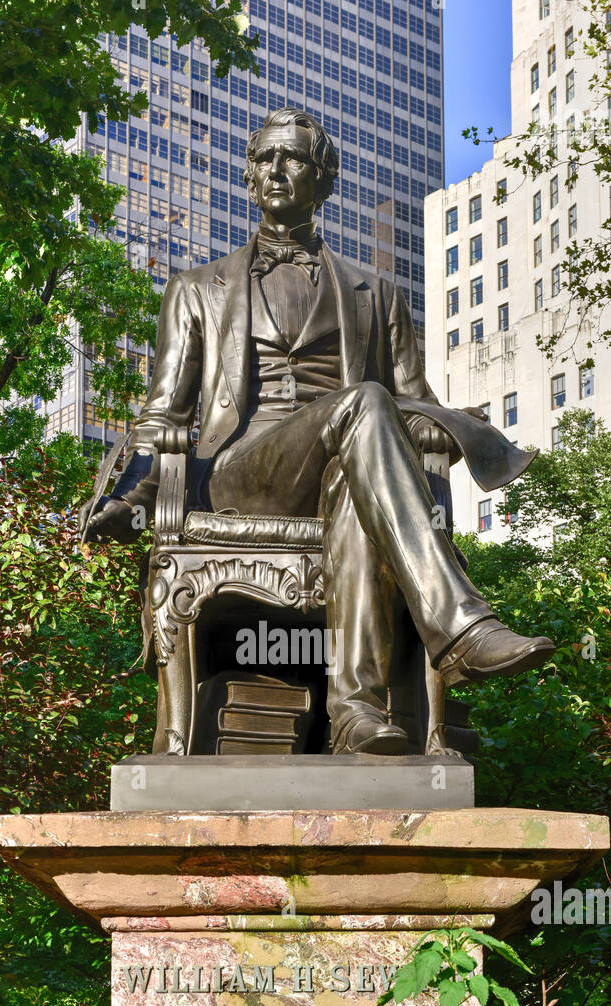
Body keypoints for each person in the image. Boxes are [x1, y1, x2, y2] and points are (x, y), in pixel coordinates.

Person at [84, 108, 553, 754]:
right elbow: (163, 414)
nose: (277, 170)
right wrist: (129, 496)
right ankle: (463, 630)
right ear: (250, 177)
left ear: (323, 178)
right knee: (364, 403)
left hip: (346, 472)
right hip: (241, 475)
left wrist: (453, 427)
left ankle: (356, 715)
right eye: (266, 159)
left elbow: (415, 405)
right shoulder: (196, 290)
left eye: (295, 158)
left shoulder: (377, 295)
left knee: (365, 464)